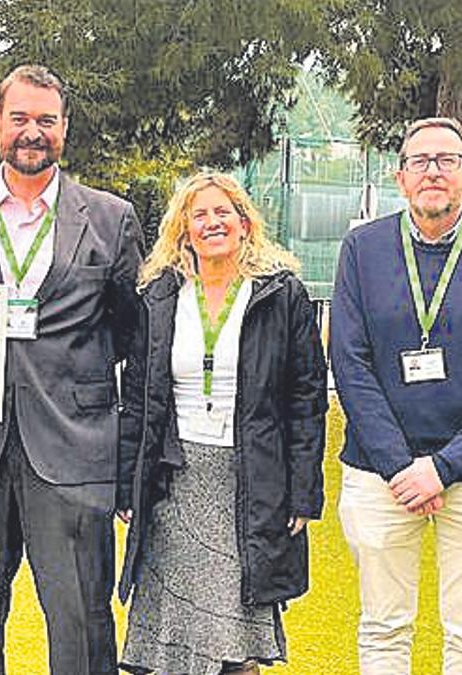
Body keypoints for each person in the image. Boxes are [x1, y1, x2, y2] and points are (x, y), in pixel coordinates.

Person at [0, 64, 143, 674]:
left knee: (82, 624)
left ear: (65, 128)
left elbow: (129, 331)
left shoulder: (109, 217)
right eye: (19, 118)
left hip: (73, 451)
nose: (32, 132)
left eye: (46, 120)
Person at [330, 117, 462, 674]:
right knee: (383, 628)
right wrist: (403, 466)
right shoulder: (361, 251)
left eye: (447, 160)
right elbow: (350, 366)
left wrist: (443, 468)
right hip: (380, 475)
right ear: (401, 177)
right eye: (419, 161)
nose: (433, 172)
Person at [117, 172, 328, 674]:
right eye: (199, 214)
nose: (212, 223)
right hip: (175, 481)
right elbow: (138, 397)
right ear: (183, 229)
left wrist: (301, 494)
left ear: (243, 221)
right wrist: (128, 483)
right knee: (173, 636)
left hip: (250, 482)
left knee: (234, 637)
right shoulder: (160, 296)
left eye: (222, 212)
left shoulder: (281, 295)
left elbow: (307, 401)